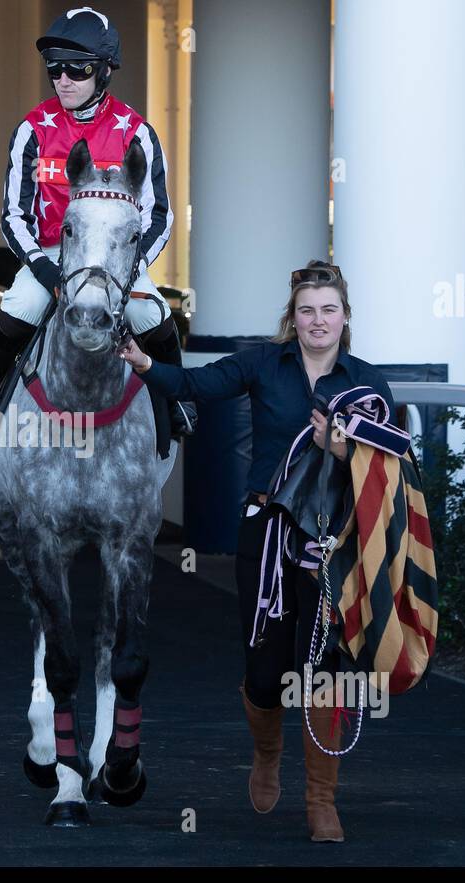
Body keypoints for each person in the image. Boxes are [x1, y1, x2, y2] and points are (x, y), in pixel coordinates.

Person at [120, 260, 400, 843]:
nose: (317, 320)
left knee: (326, 669)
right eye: (307, 310)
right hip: (268, 532)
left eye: (328, 309)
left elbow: (391, 471)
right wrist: (147, 365)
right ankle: (267, 755)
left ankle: (321, 800)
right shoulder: (261, 364)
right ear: (291, 319)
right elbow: (198, 385)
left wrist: (343, 450)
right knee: (266, 670)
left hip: (334, 541)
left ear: (345, 318)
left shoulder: (367, 382)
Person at [0, 5, 190, 436]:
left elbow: (159, 214)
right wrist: (43, 268)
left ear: (105, 71)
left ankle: (175, 398)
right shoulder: (32, 130)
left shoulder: (136, 132)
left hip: (119, 258)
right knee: (21, 307)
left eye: (78, 68)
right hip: (53, 253)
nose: (63, 79)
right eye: (54, 69)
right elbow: (13, 214)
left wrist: (132, 264)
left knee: (156, 316)